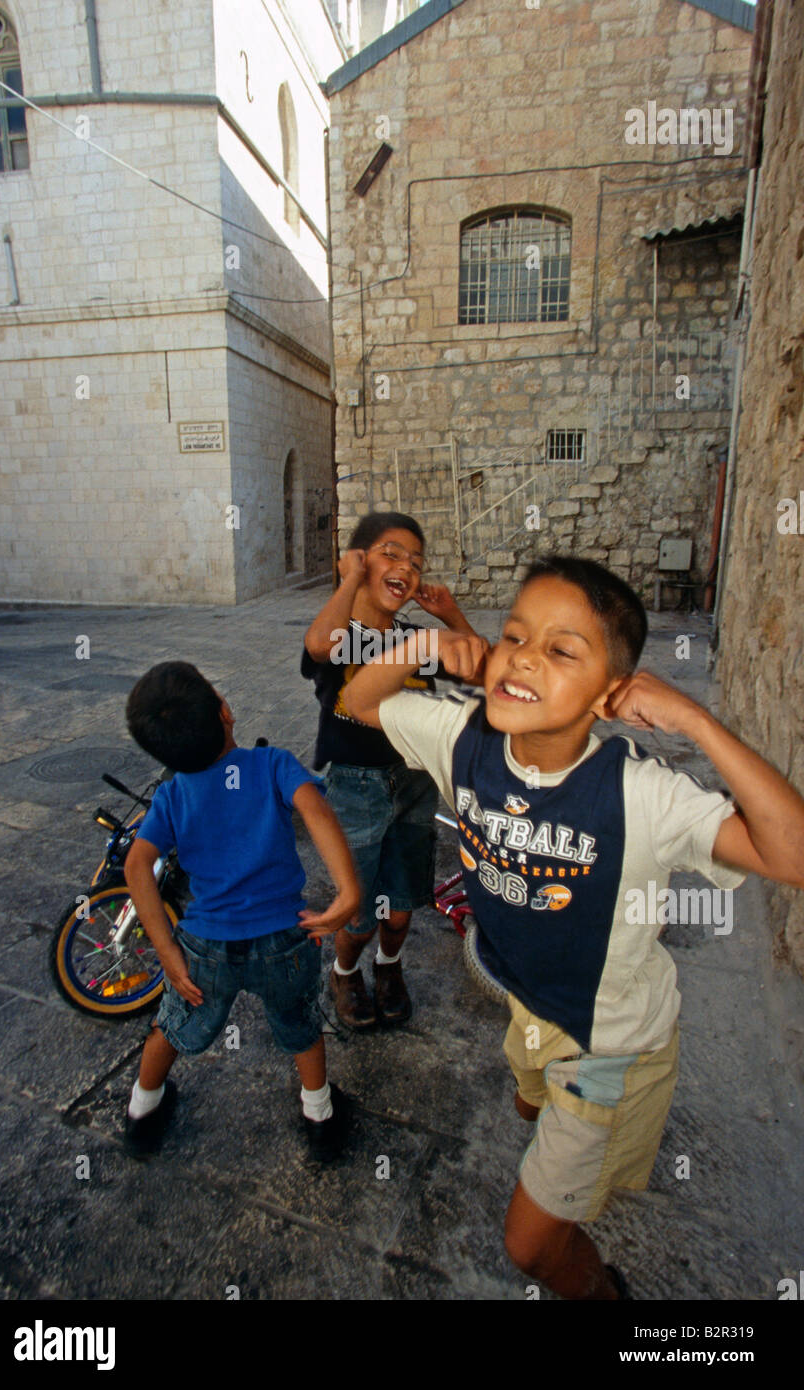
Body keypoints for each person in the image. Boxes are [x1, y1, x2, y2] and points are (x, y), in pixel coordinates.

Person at [342, 553, 804, 1299]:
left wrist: (693, 719)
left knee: (529, 1248)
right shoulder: (466, 741)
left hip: (609, 1039)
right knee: (528, 1105)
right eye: (515, 636)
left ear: (613, 695)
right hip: (524, 1001)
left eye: (561, 651)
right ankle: (559, 1144)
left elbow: (791, 852)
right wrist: (422, 646)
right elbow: (359, 703)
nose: (521, 658)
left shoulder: (640, 795)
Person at [120, 661, 361, 1161]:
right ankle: (319, 1116)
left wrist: (166, 948)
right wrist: (347, 889)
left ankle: (142, 1113)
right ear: (226, 712)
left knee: (173, 1024)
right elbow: (314, 809)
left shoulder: (170, 796)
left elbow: (137, 865)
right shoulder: (271, 765)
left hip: (204, 949)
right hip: (286, 941)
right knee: (300, 1023)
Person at [302, 511, 481, 1028]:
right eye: (392, 553)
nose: (408, 566)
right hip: (355, 789)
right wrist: (350, 580)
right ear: (359, 560)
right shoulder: (342, 636)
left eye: (417, 561)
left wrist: (452, 617)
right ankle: (344, 970)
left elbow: (475, 664)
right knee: (357, 915)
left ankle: (390, 966)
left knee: (400, 909)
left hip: (415, 782)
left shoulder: (415, 640)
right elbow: (318, 644)